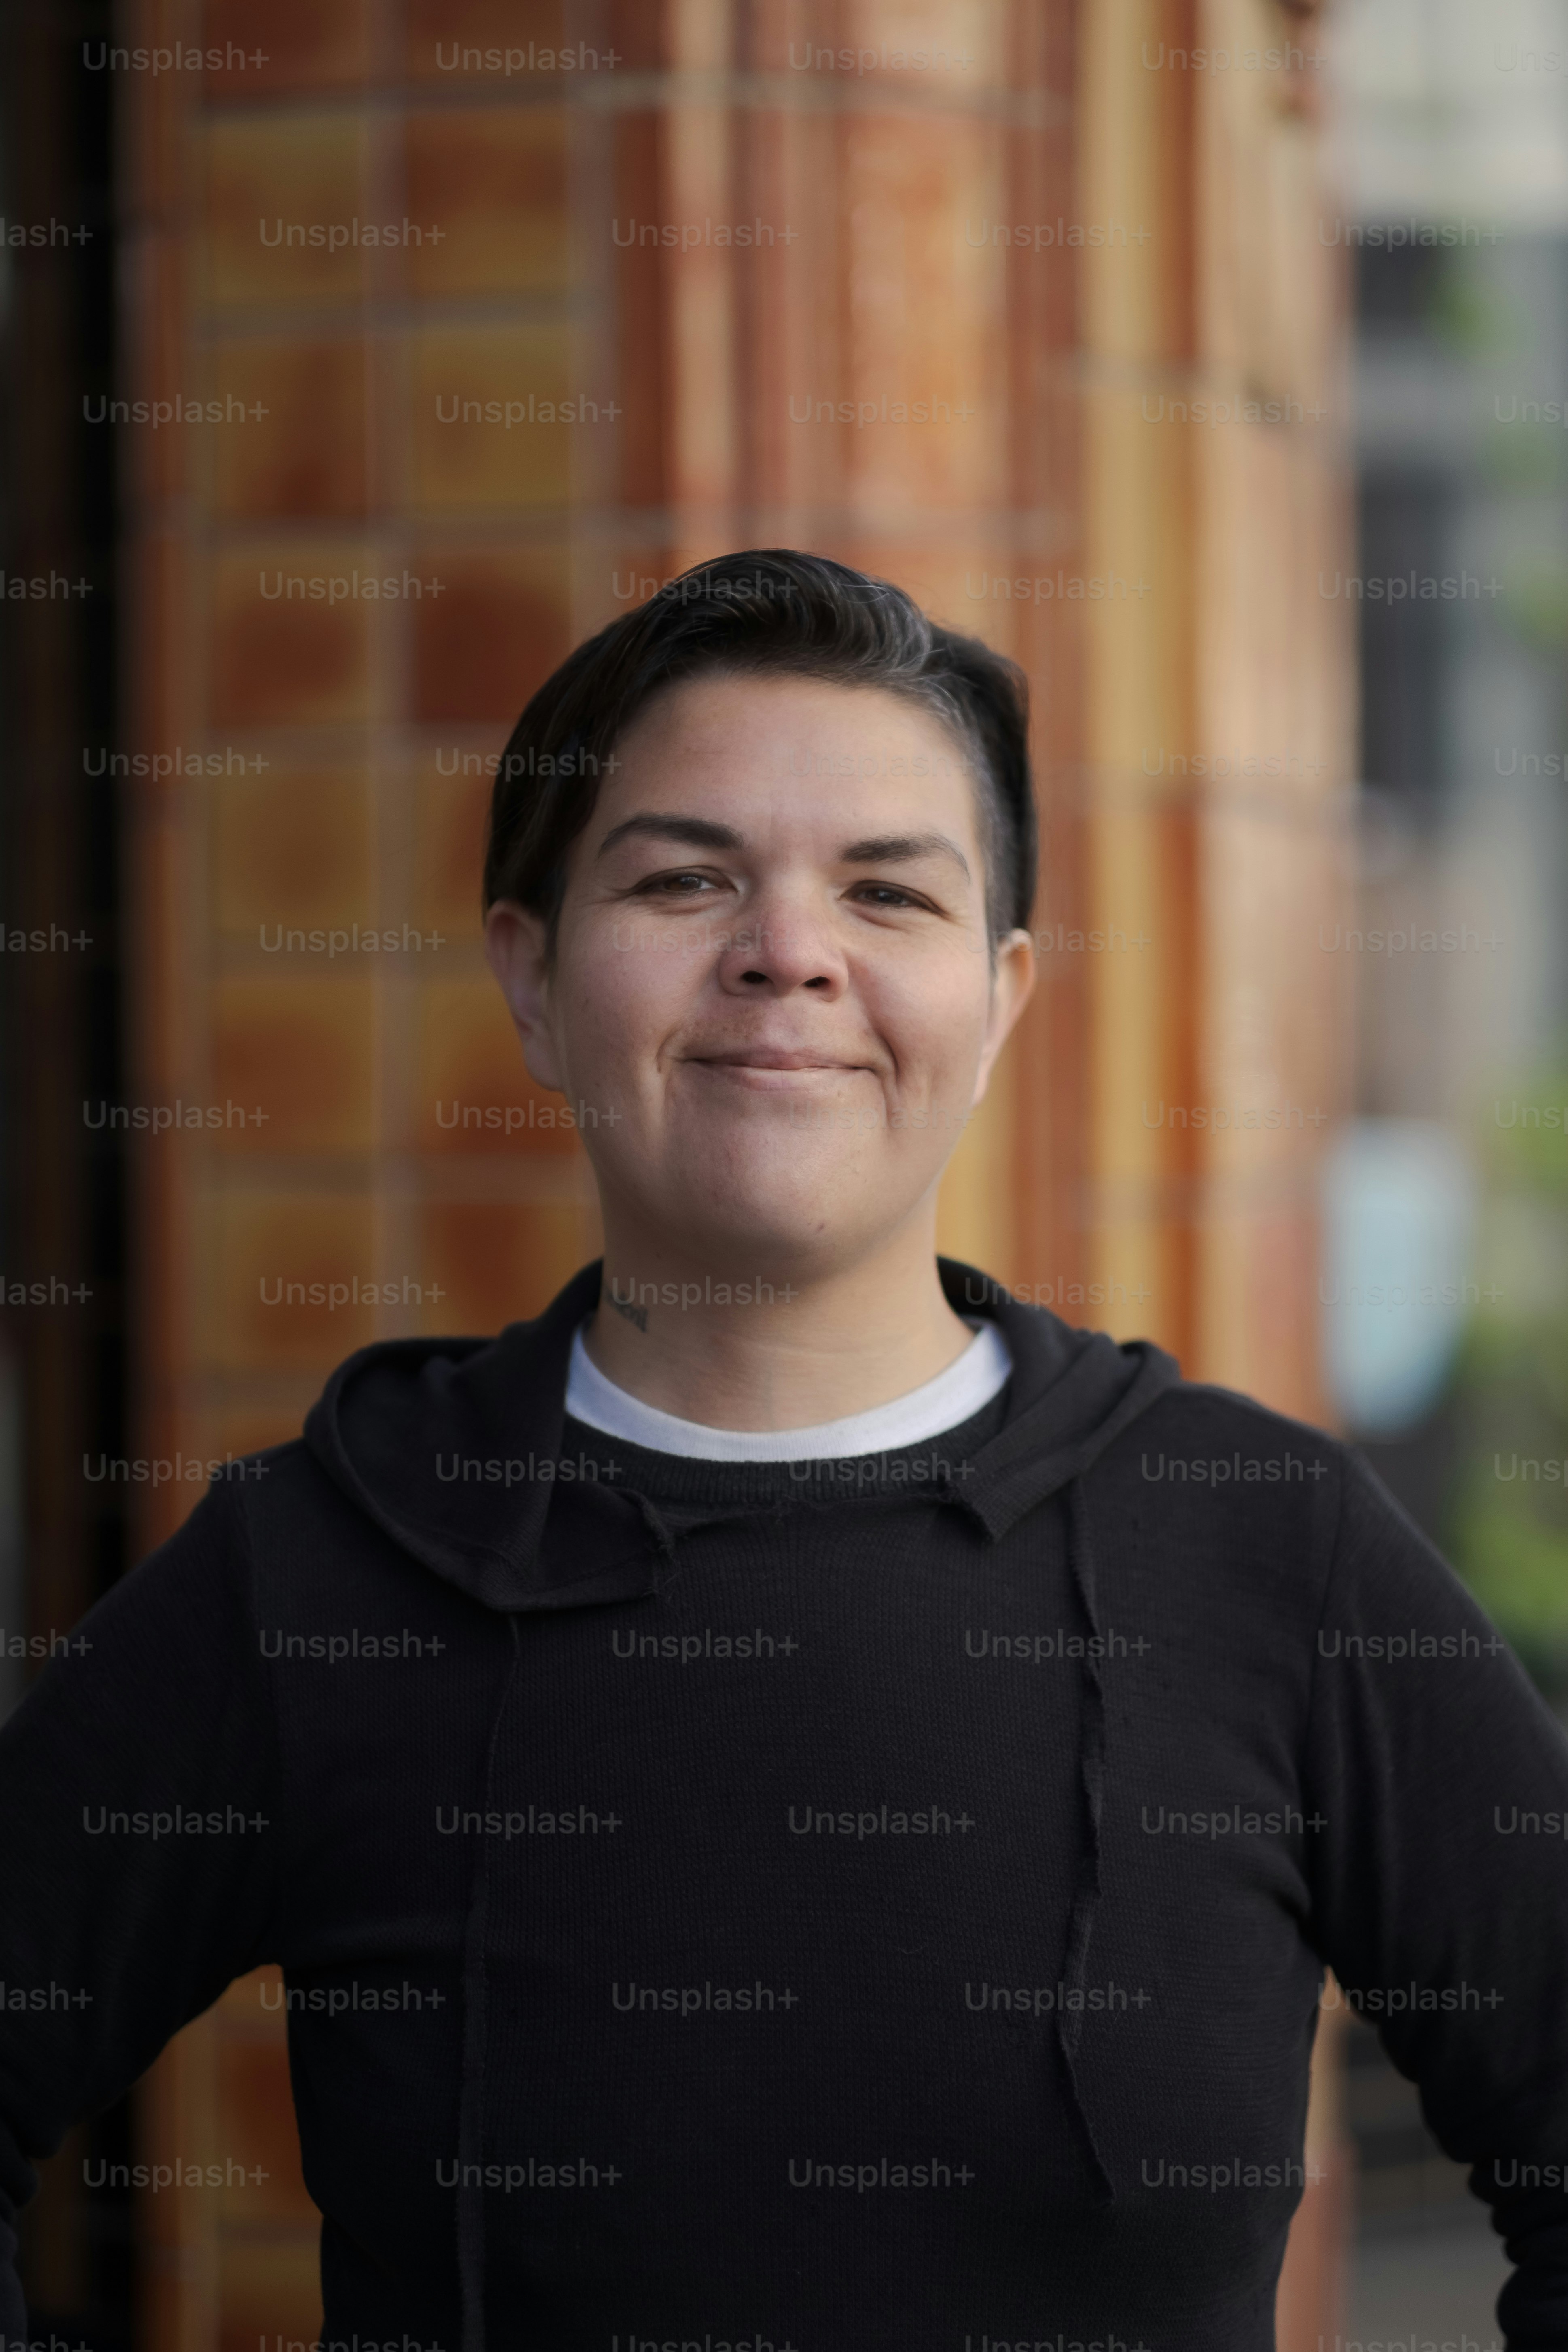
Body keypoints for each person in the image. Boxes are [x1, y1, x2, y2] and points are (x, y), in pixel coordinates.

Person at [1, 549, 1565, 2352]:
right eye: (686, 877)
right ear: (529, 975)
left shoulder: (1255, 1544)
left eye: (889, 893)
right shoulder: (324, 1565)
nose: (789, 951)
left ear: (1000, 1000)